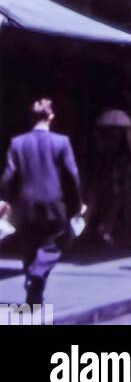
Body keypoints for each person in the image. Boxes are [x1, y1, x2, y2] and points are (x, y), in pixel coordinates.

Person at [0, 97, 84, 306]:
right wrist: (76, 203)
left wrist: (5, 199)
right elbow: (72, 175)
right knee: (54, 243)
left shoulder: (17, 143)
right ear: (51, 117)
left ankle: (34, 293)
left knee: (29, 246)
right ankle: (37, 277)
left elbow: (9, 175)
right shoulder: (61, 142)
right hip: (53, 204)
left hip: (24, 205)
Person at [89, 102, 131, 246]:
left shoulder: (101, 132)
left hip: (104, 170)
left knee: (102, 198)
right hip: (118, 170)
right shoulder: (124, 130)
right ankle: (110, 228)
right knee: (118, 199)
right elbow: (130, 151)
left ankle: (100, 226)